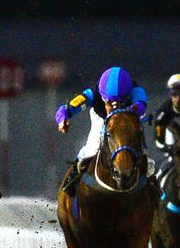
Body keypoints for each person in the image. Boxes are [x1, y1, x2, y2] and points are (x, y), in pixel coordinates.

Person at [54, 66, 148, 194]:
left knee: (139, 151)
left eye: (119, 101)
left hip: (126, 121)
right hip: (102, 119)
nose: (113, 105)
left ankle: (151, 181)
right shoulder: (93, 93)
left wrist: (130, 109)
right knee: (92, 148)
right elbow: (66, 108)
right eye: (109, 101)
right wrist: (62, 119)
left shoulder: (136, 90)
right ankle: (75, 172)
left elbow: (141, 105)